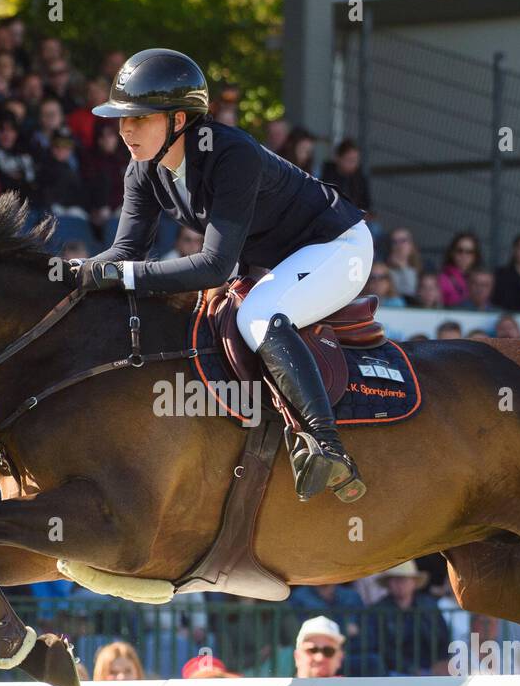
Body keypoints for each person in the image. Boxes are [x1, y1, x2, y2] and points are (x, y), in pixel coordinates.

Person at [77, 49, 369, 503]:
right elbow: (126, 251)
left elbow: (213, 266)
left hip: (337, 247)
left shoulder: (231, 154)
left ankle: (326, 444)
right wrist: (75, 274)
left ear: (179, 119)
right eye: (121, 119)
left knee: (258, 315)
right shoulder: (141, 169)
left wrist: (122, 276)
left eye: (139, 118)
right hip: (279, 260)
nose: (125, 129)